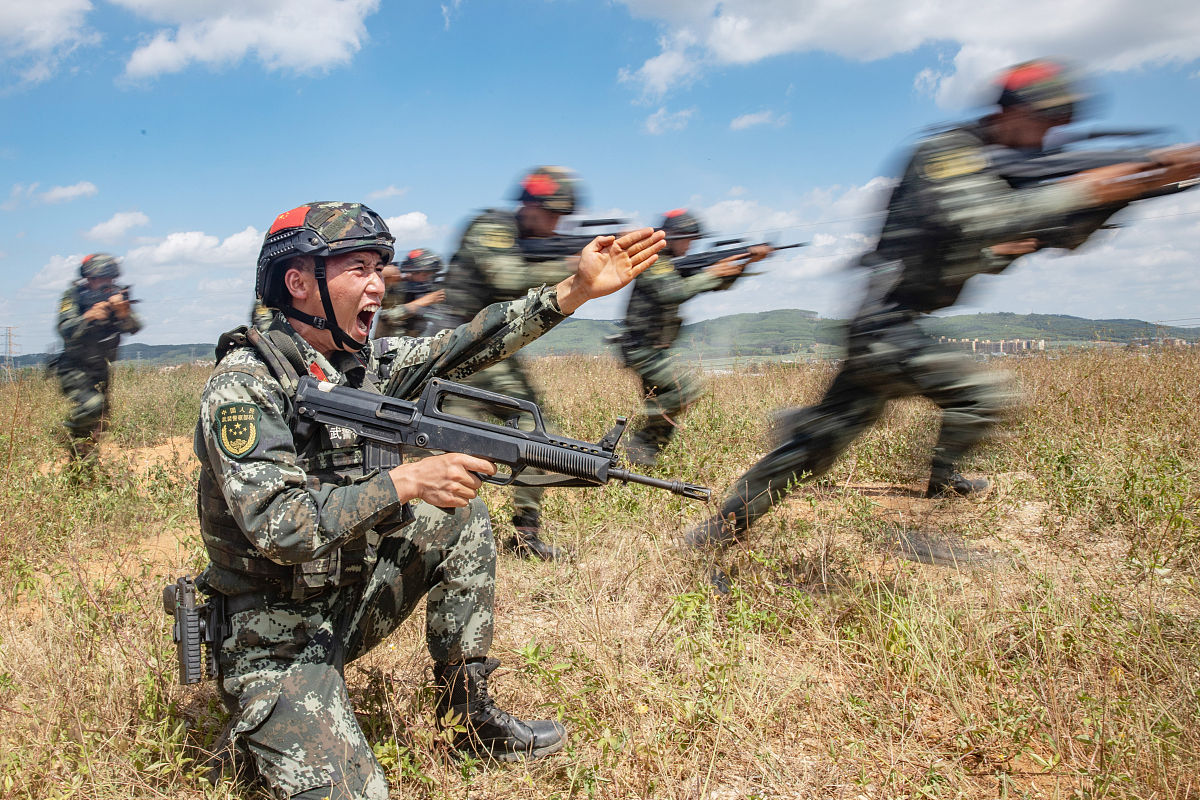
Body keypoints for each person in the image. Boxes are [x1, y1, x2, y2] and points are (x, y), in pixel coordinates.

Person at [193, 201, 663, 798]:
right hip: (272, 634)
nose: (378, 285)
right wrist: (408, 481)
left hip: (340, 602)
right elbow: (280, 527)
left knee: (459, 512)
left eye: (380, 268)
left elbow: (463, 346)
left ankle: (468, 713)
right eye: (358, 268)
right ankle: (260, 728)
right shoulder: (245, 384)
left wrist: (575, 289)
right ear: (300, 284)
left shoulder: (361, 368)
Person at [684, 59, 1200, 563]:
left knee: (815, 450)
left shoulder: (999, 168)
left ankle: (715, 532)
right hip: (883, 324)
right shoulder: (948, 154)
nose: (1045, 140)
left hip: (888, 324)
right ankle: (926, 525)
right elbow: (984, 220)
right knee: (984, 395)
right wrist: (1099, 185)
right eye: (1042, 124)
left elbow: (1047, 236)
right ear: (1011, 112)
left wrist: (1126, 192)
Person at [429, 166, 591, 560]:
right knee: (448, 443)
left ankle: (525, 536)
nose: (555, 224)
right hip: (457, 353)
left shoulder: (526, 238)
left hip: (491, 353)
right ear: (529, 205)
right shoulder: (491, 228)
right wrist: (574, 266)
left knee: (536, 435)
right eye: (551, 213)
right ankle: (433, 534)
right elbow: (507, 278)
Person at [617, 209, 770, 467]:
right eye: (687, 238)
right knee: (683, 392)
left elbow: (719, 284)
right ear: (672, 236)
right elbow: (672, 292)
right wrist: (712, 273)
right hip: (641, 349)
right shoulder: (653, 260)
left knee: (666, 420)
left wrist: (742, 264)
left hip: (655, 349)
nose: (690, 245)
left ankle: (638, 461)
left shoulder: (676, 263)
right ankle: (638, 435)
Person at [55, 253, 142, 463]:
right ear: (90, 278)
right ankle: (68, 442)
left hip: (100, 369)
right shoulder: (74, 296)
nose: (106, 283)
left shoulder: (118, 297)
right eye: (101, 278)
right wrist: (88, 316)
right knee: (92, 407)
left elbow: (134, 327)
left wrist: (124, 314)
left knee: (101, 422)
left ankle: (85, 466)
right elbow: (64, 328)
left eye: (110, 278)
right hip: (74, 368)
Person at [374, 248, 446, 338]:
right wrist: (420, 303)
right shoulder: (397, 289)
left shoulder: (429, 290)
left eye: (431, 274)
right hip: (389, 344)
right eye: (425, 274)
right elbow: (387, 316)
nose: (429, 278)